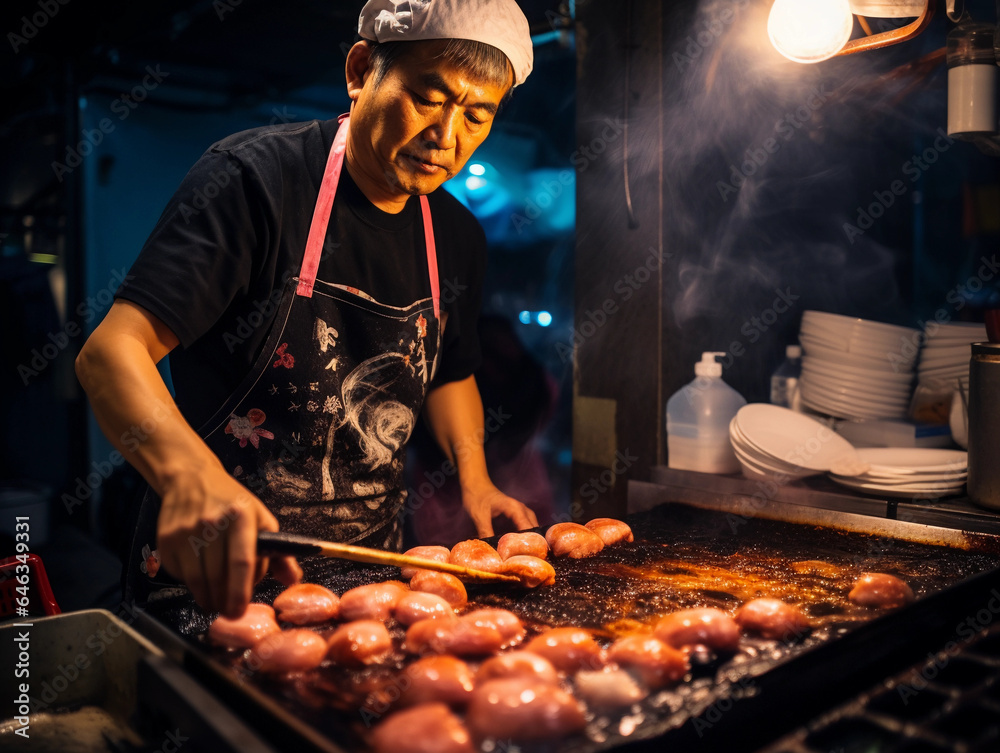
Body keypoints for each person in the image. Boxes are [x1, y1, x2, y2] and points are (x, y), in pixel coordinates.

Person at [75, 0, 538, 619]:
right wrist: (189, 475)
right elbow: (111, 353)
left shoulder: (456, 235)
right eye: (428, 98)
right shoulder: (255, 181)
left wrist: (475, 478)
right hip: (219, 577)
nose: (447, 138)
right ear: (360, 70)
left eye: (477, 116)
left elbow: (450, 372)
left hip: (373, 580)